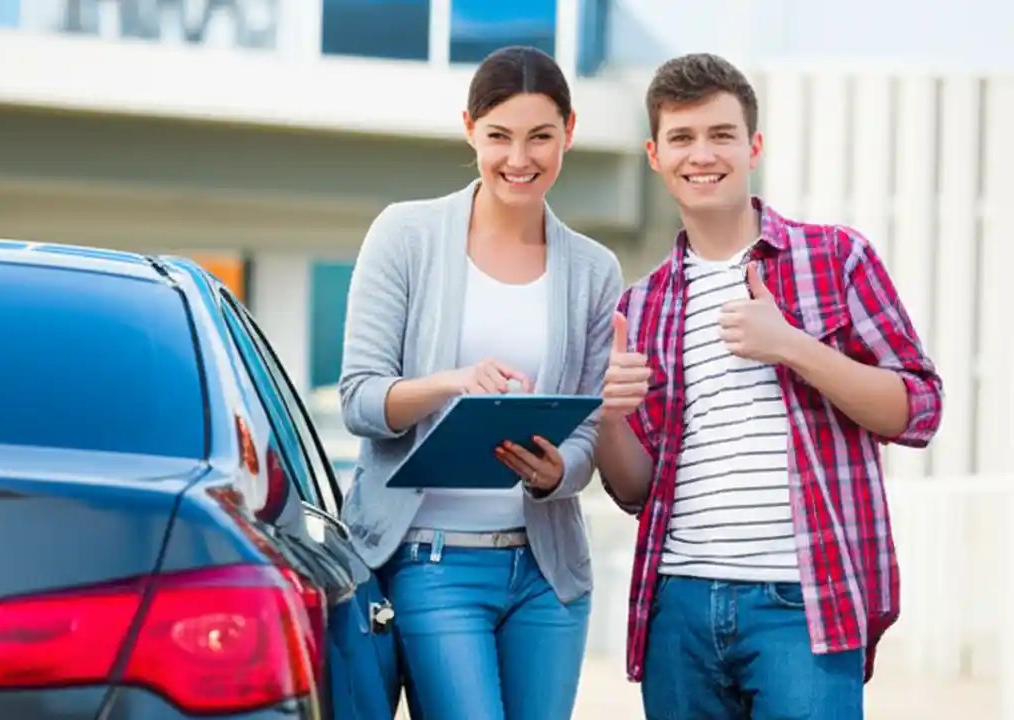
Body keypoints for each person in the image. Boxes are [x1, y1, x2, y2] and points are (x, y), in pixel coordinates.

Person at [593, 52, 945, 719]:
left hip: (801, 604)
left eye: (721, 134)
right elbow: (635, 489)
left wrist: (791, 345)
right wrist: (609, 417)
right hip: (679, 607)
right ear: (654, 154)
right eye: (683, 138)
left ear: (753, 145)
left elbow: (919, 410)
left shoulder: (836, 259)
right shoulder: (641, 306)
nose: (703, 154)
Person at [337, 45, 624, 720]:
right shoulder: (404, 236)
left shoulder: (593, 269)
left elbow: (586, 427)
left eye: (539, 138)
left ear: (569, 134)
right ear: (469, 127)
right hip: (432, 564)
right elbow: (360, 399)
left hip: (546, 576)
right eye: (499, 136)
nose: (518, 159)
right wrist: (451, 384)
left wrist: (556, 473)